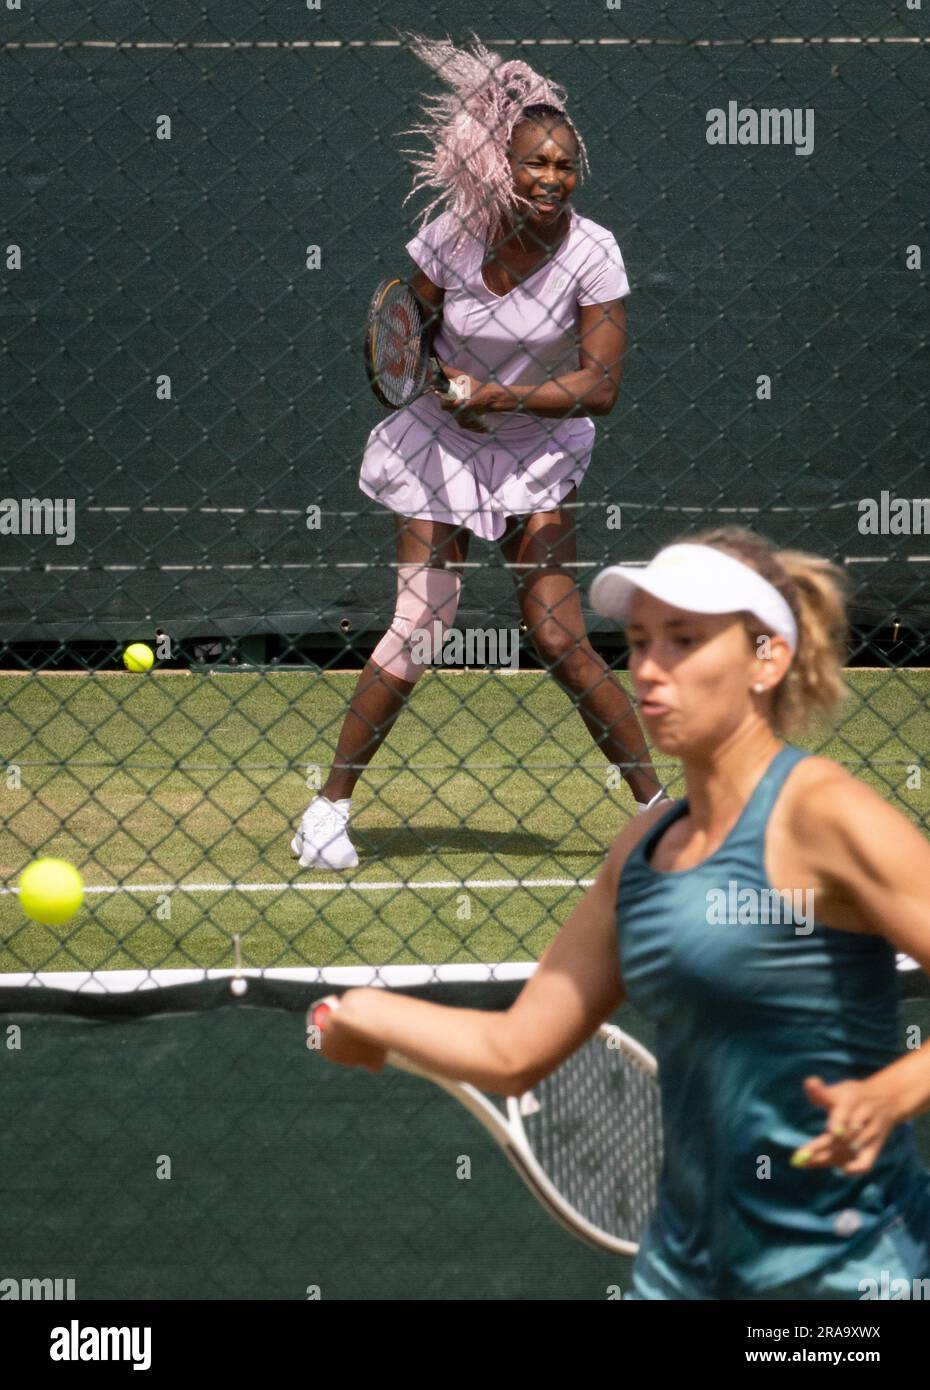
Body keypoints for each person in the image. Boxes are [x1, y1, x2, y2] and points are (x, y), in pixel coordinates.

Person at [310, 526, 930, 1299]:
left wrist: (892, 1094)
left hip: (850, 1277)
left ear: (767, 657)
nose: (649, 668)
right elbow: (515, 1050)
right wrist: (366, 1012)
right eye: (638, 641)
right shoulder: (642, 849)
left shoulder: (825, 814)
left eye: (684, 640)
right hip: (681, 1272)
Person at [293, 34, 664, 871]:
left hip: (536, 448)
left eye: (566, 165)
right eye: (535, 162)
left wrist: (497, 397)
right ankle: (325, 813)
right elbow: (403, 333)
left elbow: (599, 384)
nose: (551, 178)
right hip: (438, 445)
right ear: (504, 164)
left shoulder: (594, 252)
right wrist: (434, 386)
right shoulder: (457, 236)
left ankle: (656, 811)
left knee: (560, 637)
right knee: (421, 626)